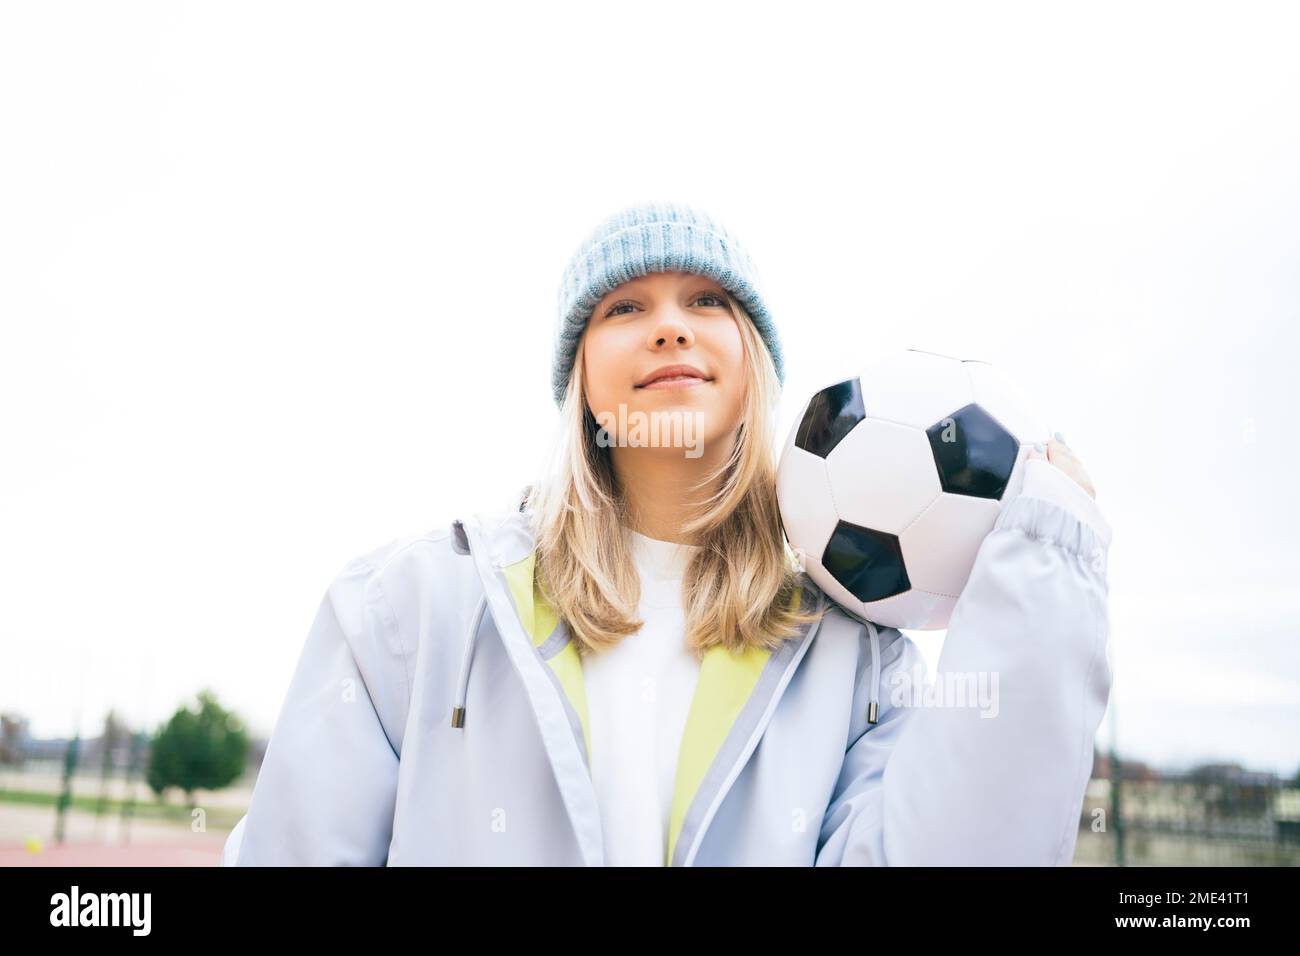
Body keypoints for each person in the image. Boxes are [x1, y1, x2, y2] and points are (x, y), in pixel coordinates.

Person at [222, 200, 1113, 866]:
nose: (670, 327)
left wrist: (1046, 573)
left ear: (753, 360)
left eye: (707, 300)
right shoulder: (411, 606)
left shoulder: (854, 651)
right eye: (623, 309)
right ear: (578, 374)